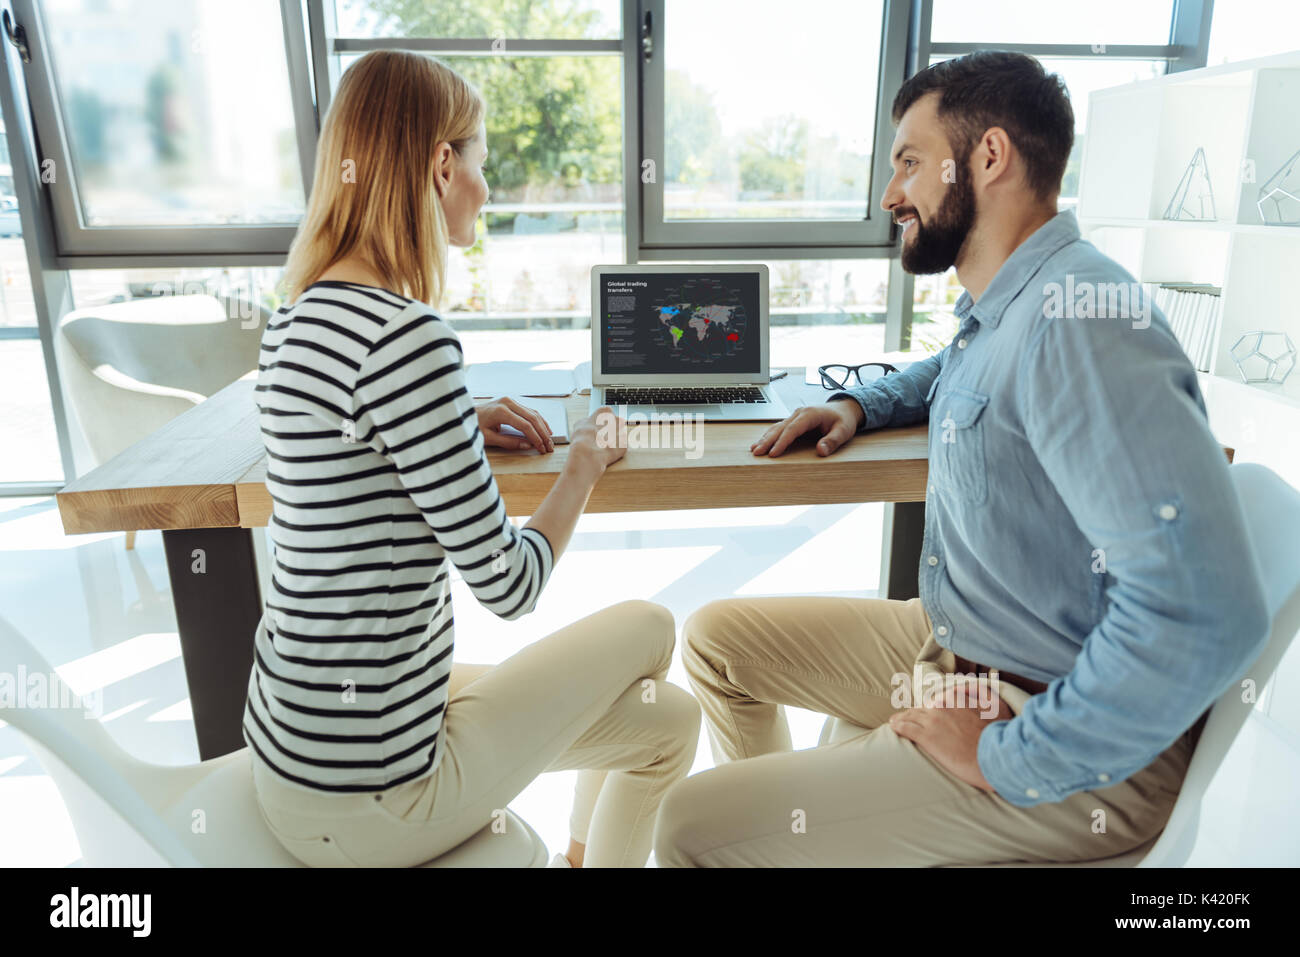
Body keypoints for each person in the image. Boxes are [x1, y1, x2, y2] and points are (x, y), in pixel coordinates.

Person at [652, 51, 1270, 866]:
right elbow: (956, 368)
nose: (889, 194)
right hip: (958, 644)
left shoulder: (1080, 323)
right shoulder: (1013, 303)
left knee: (689, 826)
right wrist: (858, 404)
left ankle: (785, 835)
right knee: (719, 641)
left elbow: (1208, 612)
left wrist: (1000, 757)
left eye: (909, 162)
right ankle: (807, 842)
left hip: (1049, 729)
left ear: (988, 156)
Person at [243, 49, 700, 868]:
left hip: (291, 752)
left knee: (667, 721)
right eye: (481, 162)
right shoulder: (408, 339)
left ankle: (576, 858)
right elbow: (511, 584)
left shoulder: (296, 317)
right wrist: (584, 463)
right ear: (441, 166)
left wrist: (459, 415)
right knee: (653, 626)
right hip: (376, 793)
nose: (486, 191)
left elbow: (362, 457)